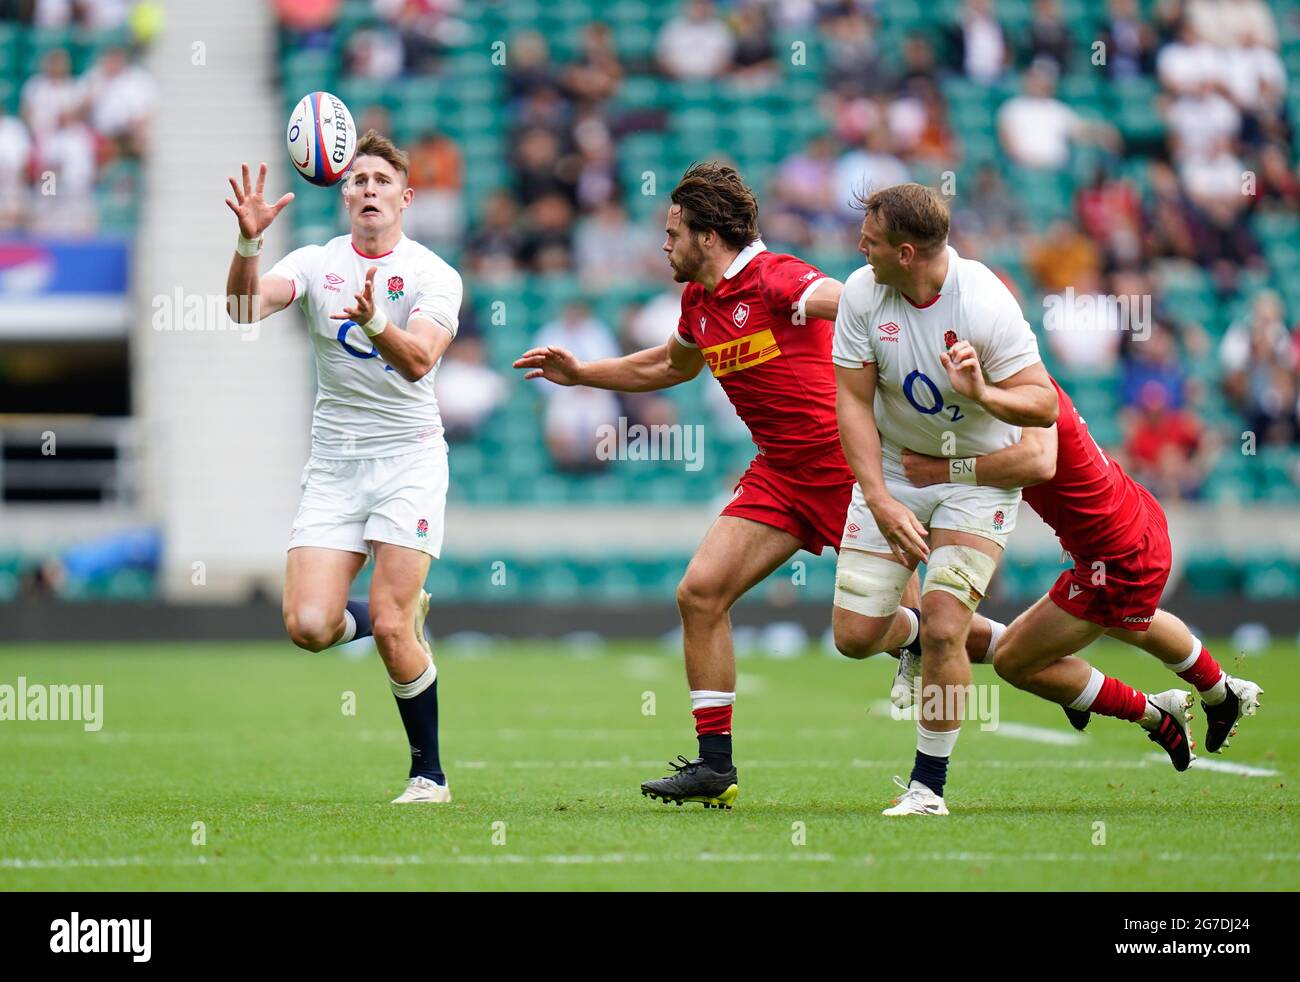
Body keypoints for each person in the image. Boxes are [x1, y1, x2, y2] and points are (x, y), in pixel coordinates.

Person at [514, 163, 845, 809]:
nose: (663, 244)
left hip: (849, 473)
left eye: (672, 232)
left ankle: (1085, 682)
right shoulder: (699, 301)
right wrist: (582, 374)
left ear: (710, 237)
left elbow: (852, 298)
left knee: (909, 632)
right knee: (699, 594)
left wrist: (926, 301)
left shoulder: (775, 277)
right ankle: (713, 766)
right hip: (780, 474)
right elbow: (669, 364)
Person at [223, 132, 463, 804]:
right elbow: (242, 307)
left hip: (408, 458)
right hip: (334, 463)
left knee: (389, 626)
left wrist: (376, 318)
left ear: (405, 198)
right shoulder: (314, 262)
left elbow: (419, 360)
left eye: (381, 181)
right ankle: (398, 607)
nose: (367, 190)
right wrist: (248, 245)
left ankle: (429, 775)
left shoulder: (434, 274)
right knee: (308, 627)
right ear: (343, 195)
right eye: (356, 180)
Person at [831, 183, 1058, 817]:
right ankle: (915, 638)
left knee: (946, 625)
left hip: (973, 480)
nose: (859, 247)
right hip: (899, 469)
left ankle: (927, 788)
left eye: (870, 241)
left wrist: (983, 392)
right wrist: (878, 497)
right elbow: (851, 400)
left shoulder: (984, 301)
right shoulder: (859, 292)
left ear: (906, 253)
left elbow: (1040, 403)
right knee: (853, 637)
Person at [898, 377, 1263, 764]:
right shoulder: (1026, 381)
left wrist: (941, 470)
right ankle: (1221, 692)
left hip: (1117, 554)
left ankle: (1155, 714)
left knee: (1015, 661)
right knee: (1128, 620)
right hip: (1129, 519)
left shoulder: (1011, 403)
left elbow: (1034, 463)